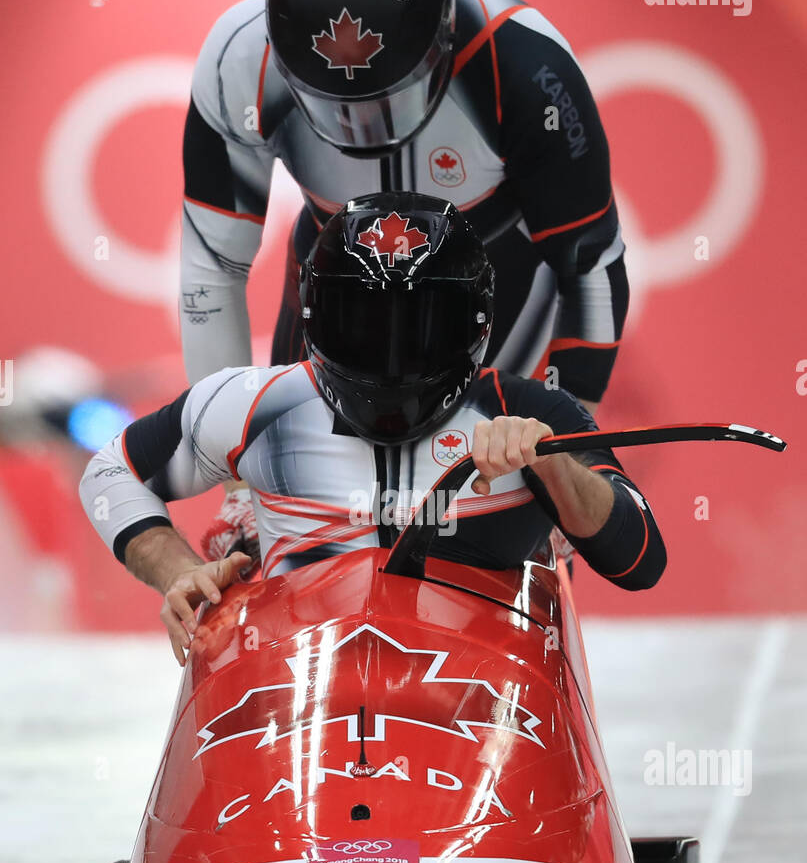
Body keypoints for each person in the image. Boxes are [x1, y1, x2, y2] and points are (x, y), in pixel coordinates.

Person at [181, 0, 629, 559]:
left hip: (493, 287)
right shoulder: (237, 63)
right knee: (288, 521)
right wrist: (237, 481)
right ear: (281, 63)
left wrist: (563, 459)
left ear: (445, 44)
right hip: (336, 287)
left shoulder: (524, 65)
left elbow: (587, 266)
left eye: (388, 100)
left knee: (478, 522)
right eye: (330, 108)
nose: (361, 132)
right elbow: (214, 268)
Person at [85, 195, 662, 664]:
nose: (391, 359)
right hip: (295, 699)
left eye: (420, 328)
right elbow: (112, 471)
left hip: (483, 700)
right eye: (362, 323)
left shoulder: (538, 413)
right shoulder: (256, 404)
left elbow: (639, 559)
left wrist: (549, 463)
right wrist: (181, 575)